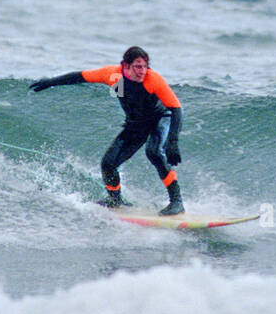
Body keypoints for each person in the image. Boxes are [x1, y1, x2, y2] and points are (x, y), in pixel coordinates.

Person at [29, 46, 184, 215]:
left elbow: (176, 109)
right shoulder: (112, 75)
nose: (142, 71)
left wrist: (172, 141)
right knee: (108, 164)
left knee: (154, 152)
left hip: (160, 118)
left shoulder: (153, 79)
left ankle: (177, 202)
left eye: (145, 66)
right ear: (126, 65)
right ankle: (115, 200)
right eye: (138, 66)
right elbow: (80, 77)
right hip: (136, 124)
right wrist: (50, 82)